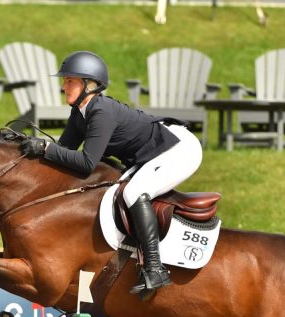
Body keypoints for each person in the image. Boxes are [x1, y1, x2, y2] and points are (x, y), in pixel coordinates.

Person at [20, 51, 203, 297]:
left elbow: (86, 162)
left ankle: (155, 268)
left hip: (178, 149)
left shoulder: (101, 112)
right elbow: (64, 153)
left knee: (135, 192)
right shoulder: (80, 113)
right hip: (152, 152)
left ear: (90, 85)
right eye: (64, 81)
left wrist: (45, 148)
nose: (63, 86)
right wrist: (36, 150)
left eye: (70, 81)